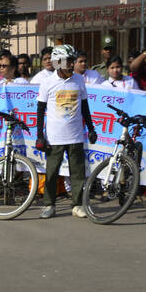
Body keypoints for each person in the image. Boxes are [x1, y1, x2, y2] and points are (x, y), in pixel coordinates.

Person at [35, 44, 97, 219]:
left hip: (76, 135)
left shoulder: (79, 80)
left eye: (73, 61)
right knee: (52, 172)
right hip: (54, 137)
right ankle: (49, 205)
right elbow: (40, 110)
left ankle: (77, 204)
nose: (72, 64)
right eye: (68, 61)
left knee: (77, 172)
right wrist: (40, 135)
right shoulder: (47, 82)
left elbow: (85, 106)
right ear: (57, 62)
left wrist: (91, 128)